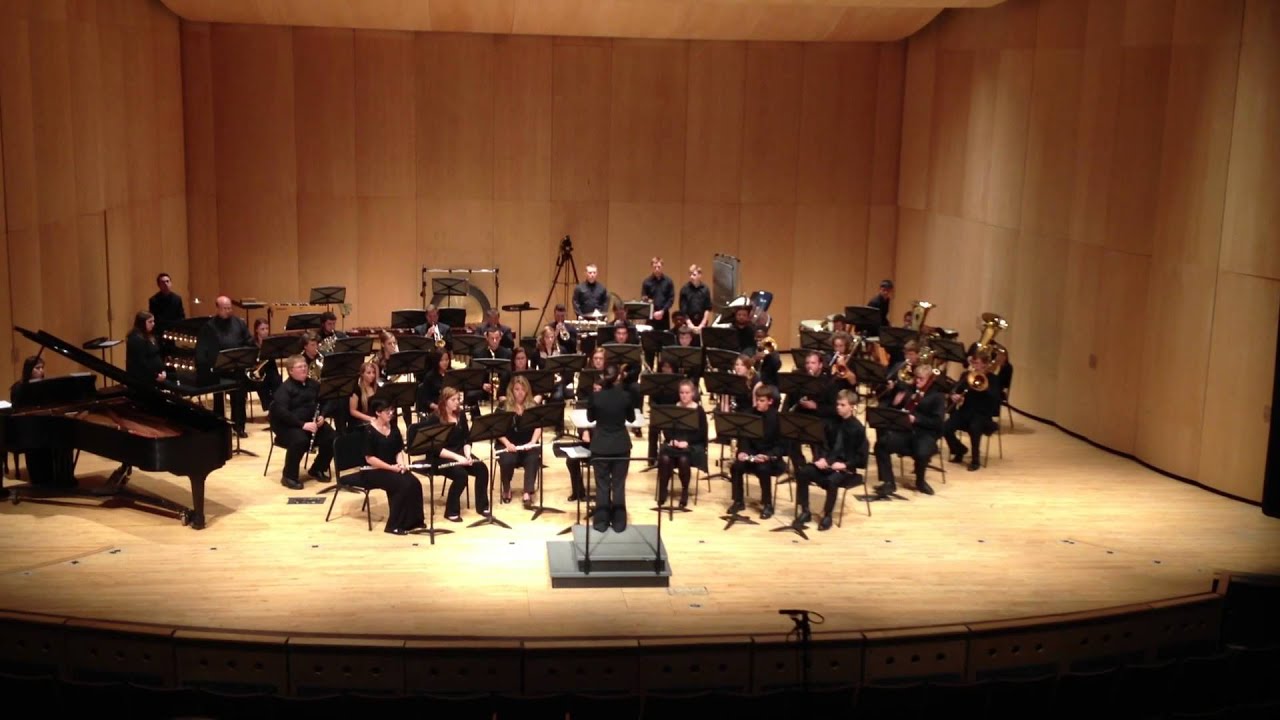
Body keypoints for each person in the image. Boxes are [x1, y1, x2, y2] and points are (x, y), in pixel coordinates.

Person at [795, 389, 869, 531]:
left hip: (846, 469)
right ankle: (805, 510)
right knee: (803, 472)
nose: (838, 408)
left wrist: (844, 464)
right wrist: (821, 459)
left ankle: (827, 515)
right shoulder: (832, 423)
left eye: (842, 405)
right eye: (837, 404)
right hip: (828, 463)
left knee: (831, 481)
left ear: (852, 406)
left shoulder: (858, 428)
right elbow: (823, 444)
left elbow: (861, 458)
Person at [413, 386, 489, 522]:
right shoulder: (435, 418)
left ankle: (482, 506)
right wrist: (457, 457)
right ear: (445, 401)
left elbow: (467, 438)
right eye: (453, 399)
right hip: (439, 456)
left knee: (482, 469)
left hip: (460, 452)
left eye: (458, 399)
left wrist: (467, 454)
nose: (457, 402)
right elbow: (435, 448)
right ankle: (451, 511)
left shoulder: (461, 415)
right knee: (461, 475)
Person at [875, 365, 944, 497]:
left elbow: (937, 422)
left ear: (929, 380)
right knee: (881, 445)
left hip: (925, 434)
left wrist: (916, 419)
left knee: (922, 452)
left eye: (921, 379)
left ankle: (920, 481)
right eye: (916, 378)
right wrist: (895, 403)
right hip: (906, 432)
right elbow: (897, 410)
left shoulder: (937, 396)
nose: (917, 381)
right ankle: (888, 482)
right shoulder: (909, 390)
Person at [360, 398, 427, 535]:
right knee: (401, 485)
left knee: (414, 483)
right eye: (387, 411)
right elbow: (370, 459)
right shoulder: (368, 431)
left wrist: (401, 463)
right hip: (374, 470)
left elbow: (398, 450)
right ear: (378, 413)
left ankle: (414, 521)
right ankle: (394, 525)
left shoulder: (394, 428)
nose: (391, 413)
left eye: (392, 410)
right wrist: (391, 468)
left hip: (393, 467)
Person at [269, 354, 335, 489]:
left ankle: (317, 468)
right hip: (288, 426)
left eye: (305, 366)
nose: (304, 369)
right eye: (300, 367)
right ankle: (289, 476)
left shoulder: (313, 384)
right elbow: (282, 413)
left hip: (311, 423)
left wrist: (323, 415)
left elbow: (326, 400)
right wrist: (302, 425)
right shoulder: (284, 389)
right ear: (290, 370)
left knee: (332, 437)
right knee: (300, 440)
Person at [587, 364, 637, 532]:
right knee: (618, 484)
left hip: (600, 445)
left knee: (602, 485)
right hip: (620, 445)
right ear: (618, 378)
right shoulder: (625, 396)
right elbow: (631, 419)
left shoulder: (596, 397)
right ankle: (619, 522)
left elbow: (590, 417)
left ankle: (601, 522)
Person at [195, 296, 253, 438]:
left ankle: (239, 426)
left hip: (237, 367)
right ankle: (221, 428)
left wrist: (247, 355)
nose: (229, 311)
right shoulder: (209, 327)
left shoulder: (239, 323)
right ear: (218, 308)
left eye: (230, 308)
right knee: (219, 400)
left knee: (239, 398)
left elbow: (249, 341)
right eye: (225, 308)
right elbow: (202, 350)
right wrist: (207, 365)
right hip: (219, 370)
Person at [728, 384, 785, 520]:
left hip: (770, 459)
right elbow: (744, 438)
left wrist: (767, 456)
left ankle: (767, 504)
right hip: (752, 456)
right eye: (757, 400)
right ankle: (738, 501)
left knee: (763, 468)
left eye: (762, 400)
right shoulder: (750, 414)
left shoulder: (777, 418)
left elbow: (781, 446)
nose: (758, 403)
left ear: (770, 401)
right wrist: (742, 452)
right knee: (736, 467)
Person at [944, 352, 1002, 471]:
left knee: (975, 428)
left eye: (977, 363)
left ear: (985, 365)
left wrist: (984, 387)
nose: (974, 366)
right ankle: (959, 450)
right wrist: (954, 395)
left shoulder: (992, 379)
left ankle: (975, 460)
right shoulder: (966, 375)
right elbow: (955, 389)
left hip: (982, 414)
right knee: (946, 427)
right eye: (973, 362)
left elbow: (996, 398)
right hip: (965, 411)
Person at [656, 378, 707, 509]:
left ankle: (685, 491)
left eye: (687, 392)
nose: (684, 395)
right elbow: (667, 429)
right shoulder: (674, 408)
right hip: (674, 445)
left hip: (692, 446)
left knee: (684, 459)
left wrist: (687, 442)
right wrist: (671, 440)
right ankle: (663, 489)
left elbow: (702, 434)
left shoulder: (699, 410)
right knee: (665, 457)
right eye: (681, 392)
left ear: (693, 394)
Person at [565, 348, 607, 501]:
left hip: (605, 438)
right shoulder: (586, 377)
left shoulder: (610, 377)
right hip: (588, 432)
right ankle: (578, 491)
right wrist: (584, 431)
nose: (597, 361)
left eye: (600, 358)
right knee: (571, 459)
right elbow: (580, 407)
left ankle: (602, 494)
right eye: (595, 358)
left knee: (600, 459)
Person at [497, 375, 543, 508]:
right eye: (517, 389)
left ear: (527, 391)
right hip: (507, 443)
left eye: (523, 389)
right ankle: (506, 488)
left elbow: (538, 426)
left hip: (527, 444)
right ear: (511, 390)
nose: (520, 392)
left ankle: (527, 492)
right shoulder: (503, 406)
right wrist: (507, 444)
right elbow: (497, 430)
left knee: (533, 456)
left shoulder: (533, 406)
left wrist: (533, 441)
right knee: (507, 460)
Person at [125, 311, 166, 385]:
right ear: (141, 323)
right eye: (150, 322)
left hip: (156, 376)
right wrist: (156, 376)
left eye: (153, 321)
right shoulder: (135, 339)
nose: (153, 324)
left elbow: (156, 355)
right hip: (143, 380)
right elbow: (141, 362)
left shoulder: (149, 336)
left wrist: (162, 371)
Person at [250, 318, 282, 411]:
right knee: (261, 383)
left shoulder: (272, 342)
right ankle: (269, 407)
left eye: (267, 329)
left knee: (277, 381)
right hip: (257, 372)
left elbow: (272, 363)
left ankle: (277, 408)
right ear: (256, 330)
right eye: (262, 329)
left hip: (270, 370)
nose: (265, 331)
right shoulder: (251, 343)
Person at [641, 256, 675, 332]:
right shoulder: (646, 282)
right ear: (652, 267)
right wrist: (652, 311)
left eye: (659, 267)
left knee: (664, 337)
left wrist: (662, 311)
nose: (657, 269)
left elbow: (671, 299)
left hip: (664, 315)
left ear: (662, 267)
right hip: (651, 315)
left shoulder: (668, 281)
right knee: (650, 337)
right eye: (655, 267)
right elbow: (644, 298)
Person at [147, 272, 185, 337]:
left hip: (175, 332)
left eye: (167, 281)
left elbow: (181, 316)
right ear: (159, 285)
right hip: (160, 333)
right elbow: (155, 319)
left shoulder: (177, 299)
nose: (166, 284)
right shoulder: (154, 300)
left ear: (171, 283)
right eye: (163, 282)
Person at [416, 350, 451, 418]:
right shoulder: (430, 377)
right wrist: (437, 407)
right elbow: (426, 400)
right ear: (436, 361)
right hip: (435, 409)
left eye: (447, 360)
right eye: (442, 360)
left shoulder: (451, 374)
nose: (445, 362)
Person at [679, 265, 713, 333]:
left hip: (702, 322)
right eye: (690, 274)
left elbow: (708, 308)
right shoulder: (684, 289)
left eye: (694, 274)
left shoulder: (705, 289)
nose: (691, 277)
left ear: (700, 275)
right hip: (688, 322)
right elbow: (683, 310)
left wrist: (702, 324)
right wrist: (690, 325)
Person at [348, 361, 380, 429]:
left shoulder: (375, 388)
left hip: (373, 418)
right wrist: (369, 418)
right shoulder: (357, 389)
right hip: (360, 422)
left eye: (373, 372)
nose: (372, 375)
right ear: (362, 374)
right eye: (369, 373)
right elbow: (352, 411)